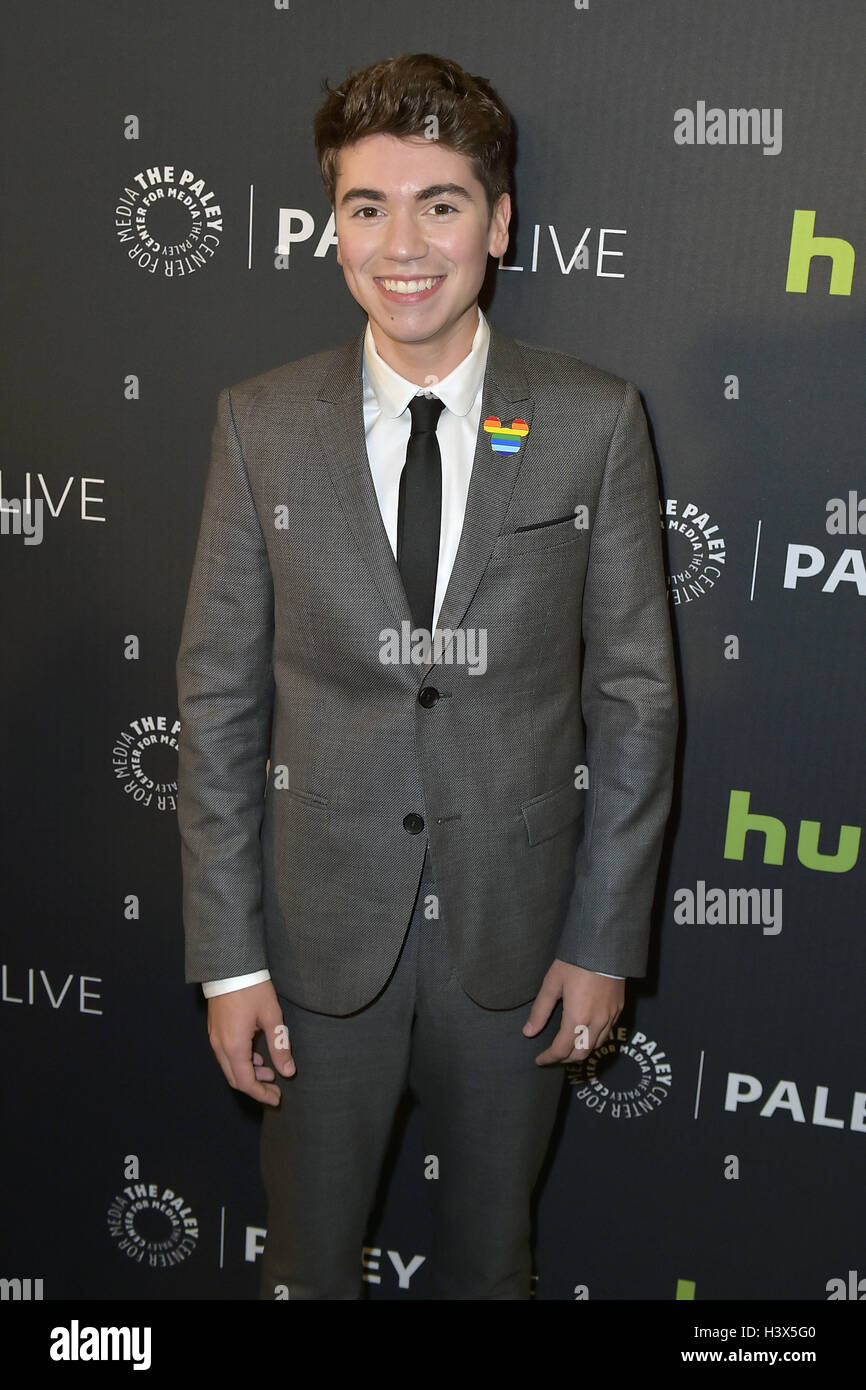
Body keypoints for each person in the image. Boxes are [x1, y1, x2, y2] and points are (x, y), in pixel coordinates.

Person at [176, 52, 678, 1300]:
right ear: (331, 224)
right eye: (366, 205)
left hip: (519, 950)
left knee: (486, 1264)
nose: (402, 243)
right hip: (311, 950)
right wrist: (228, 960)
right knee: (304, 1261)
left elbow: (633, 698)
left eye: (439, 203)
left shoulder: (594, 420)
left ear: (498, 222)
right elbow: (219, 700)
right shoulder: (259, 422)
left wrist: (604, 938)